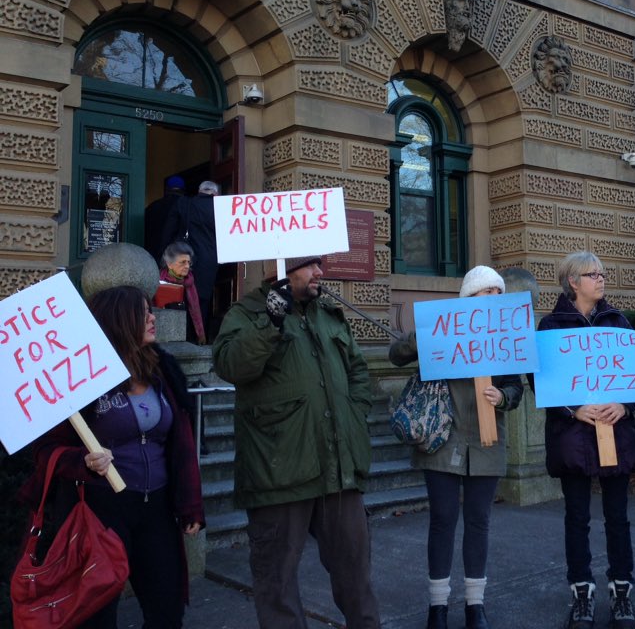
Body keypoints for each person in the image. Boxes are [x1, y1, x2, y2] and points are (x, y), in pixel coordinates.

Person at [18, 285, 204, 628]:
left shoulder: (162, 370)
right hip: (101, 511)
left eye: (151, 311)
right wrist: (82, 463)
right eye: (143, 312)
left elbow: (181, 442)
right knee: (96, 614)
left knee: (167, 610)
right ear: (120, 320)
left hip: (158, 509)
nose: (153, 318)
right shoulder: (79, 378)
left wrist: (190, 502)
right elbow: (44, 450)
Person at [212, 255, 380, 629]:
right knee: (277, 583)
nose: (321, 272)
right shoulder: (247, 311)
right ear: (281, 267)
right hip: (278, 468)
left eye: (320, 264)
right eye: (311, 265)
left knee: (356, 575)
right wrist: (270, 320)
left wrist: (354, 415)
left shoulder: (328, 314)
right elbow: (230, 365)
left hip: (338, 467)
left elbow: (357, 371)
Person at [389, 265, 524, 629]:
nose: (495, 298)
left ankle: (475, 605)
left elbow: (517, 386)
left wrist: (504, 396)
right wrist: (427, 332)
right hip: (442, 438)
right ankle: (438, 607)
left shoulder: (505, 332)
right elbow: (396, 354)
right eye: (487, 292)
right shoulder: (445, 328)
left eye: (498, 292)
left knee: (479, 522)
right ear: (468, 297)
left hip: (486, 440)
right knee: (443, 521)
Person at [537, 251, 635, 629]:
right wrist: (572, 409)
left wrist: (624, 405)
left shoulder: (619, 323)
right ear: (572, 282)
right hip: (573, 438)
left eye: (602, 273)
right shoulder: (550, 327)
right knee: (576, 517)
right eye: (592, 274)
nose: (601, 279)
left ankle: (622, 592)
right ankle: (581, 593)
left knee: (618, 518)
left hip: (616, 434)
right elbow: (542, 381)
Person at [163, 180, 219, 333]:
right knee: (203, 300)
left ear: (199, 191)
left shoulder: (184, 204)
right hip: (210, 260)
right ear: (215, 194)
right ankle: (201, 336)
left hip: (184, 258)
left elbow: (168, 232)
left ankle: (182, 333)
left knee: (182, 296)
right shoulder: (221, 207)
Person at [159, 240, 206, 344]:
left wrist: (200, 334)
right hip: (166, 336)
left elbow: (195, 311)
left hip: (189, 335)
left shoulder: (190, 283)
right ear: (169, 264)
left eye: (189, 262)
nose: (187, 266)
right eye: (182, 262)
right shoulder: (159, 282)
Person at [144, 175, 185, 261]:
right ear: (183, 189)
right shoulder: (186, 206)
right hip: (176, 257)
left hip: (151, 256)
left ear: (166, 188)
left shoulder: (153, 206)